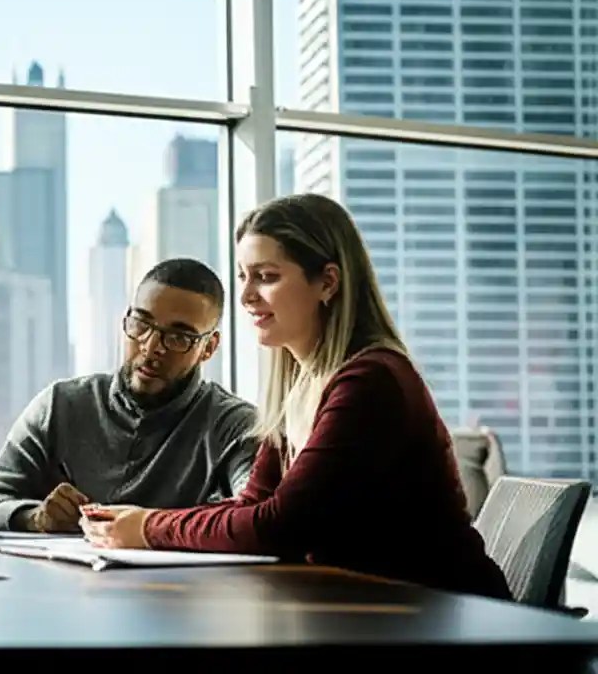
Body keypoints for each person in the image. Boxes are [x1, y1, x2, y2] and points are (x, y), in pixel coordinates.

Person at [80, 194, 511, 600]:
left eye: (266, 277)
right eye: (243, 277)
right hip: (378, 614)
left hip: (448, 625)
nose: (247, 296)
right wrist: (142, 521)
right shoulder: (302, 384)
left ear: (327, 282)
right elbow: (254, 505)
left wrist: (150, 526)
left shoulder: (371, 381)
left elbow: (278, 526)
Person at [0, 259, 257, 533]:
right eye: (141, 324)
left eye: (178, 337)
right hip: (68, 582)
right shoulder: (61, 405)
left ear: (209, 347)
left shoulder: (234, 426)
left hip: (180, 584)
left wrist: (151, 527)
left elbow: (257, 516)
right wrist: (36, 518)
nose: (151, 347)